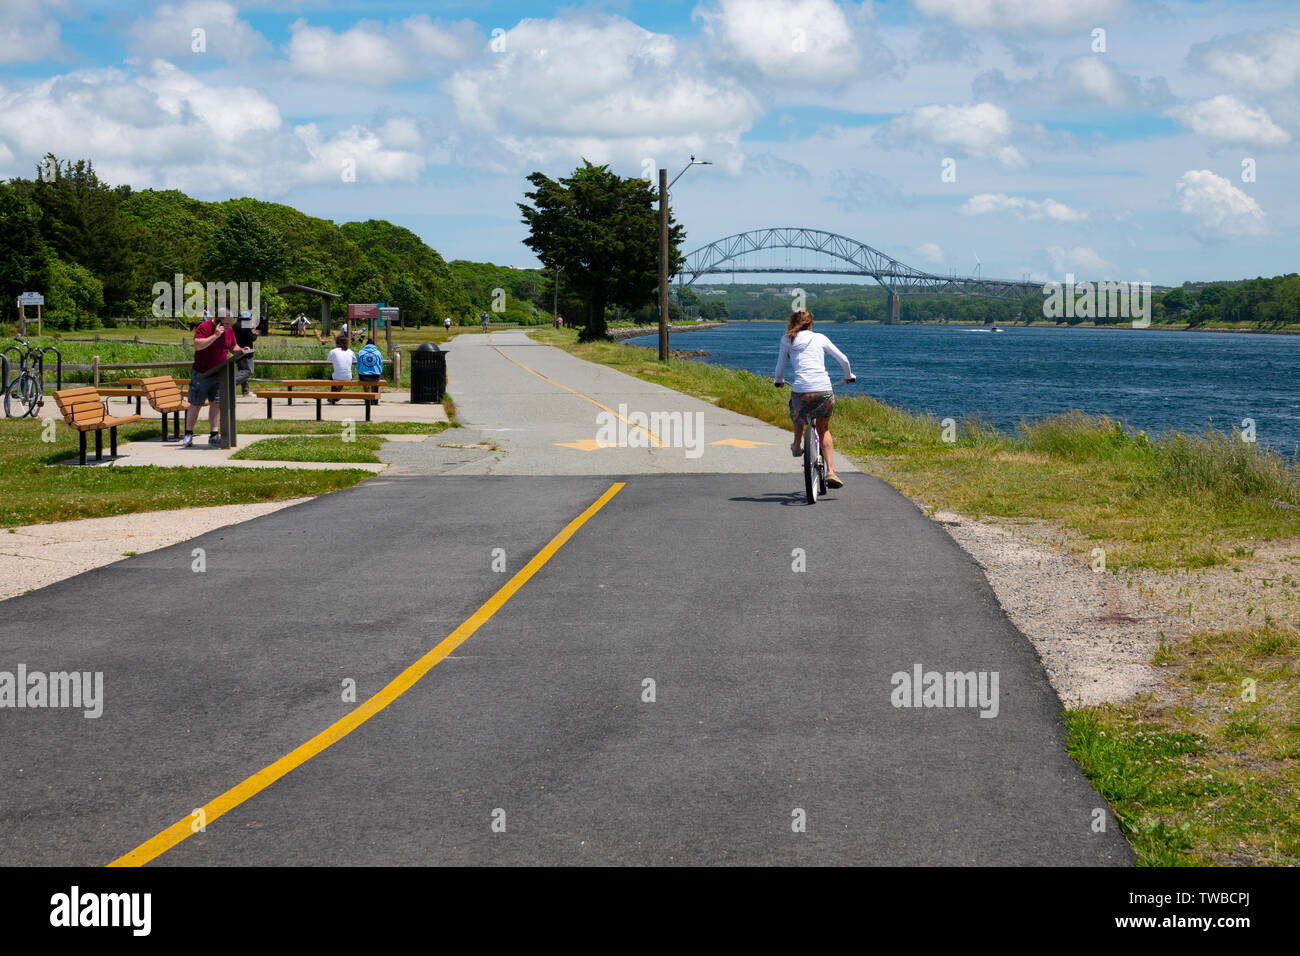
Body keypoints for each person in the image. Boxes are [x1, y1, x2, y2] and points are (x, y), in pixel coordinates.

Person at [773, 309, 855, 489]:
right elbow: (844, 360)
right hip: (823, 390)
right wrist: (848, 375)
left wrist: (779, 381)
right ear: (811, 324)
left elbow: (780, 368)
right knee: (823, 428)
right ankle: (831, 472)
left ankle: (796, 444)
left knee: (798, 413)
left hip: (802, 390)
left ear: (793, 323)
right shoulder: (820, 338)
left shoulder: (787, 339)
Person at [182, 308, 242, 447]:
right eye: (226, 324)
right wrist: (214, 336)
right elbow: (198, 345)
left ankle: (214, 435)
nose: (228, 327)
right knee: (196, 404)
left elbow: (232, 346)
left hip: (220, 373)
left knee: (216, 403)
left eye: (230, 324)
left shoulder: (229, 330)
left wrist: (240, 350)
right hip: (202, 373)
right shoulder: (204, 327)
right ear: (217, 320)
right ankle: (188, 434)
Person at [233, 311, 258, 396]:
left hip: (236, 351)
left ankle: (245, 391)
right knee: (248, 371)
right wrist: (255, 334)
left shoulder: (235, 326)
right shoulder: (245, 326)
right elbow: (251, 338)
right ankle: (230, 384)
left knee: (242, 371)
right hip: (246, 352)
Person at [327, 334, 355, 404]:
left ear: (337, 343)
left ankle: (333, 396)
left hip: (337, 376)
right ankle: (336, 395)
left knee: (334, 377)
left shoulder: (333, 351)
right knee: (343, 375)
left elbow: (328, 361)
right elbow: (354, 360)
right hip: (348, 376)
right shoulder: (350, 351)